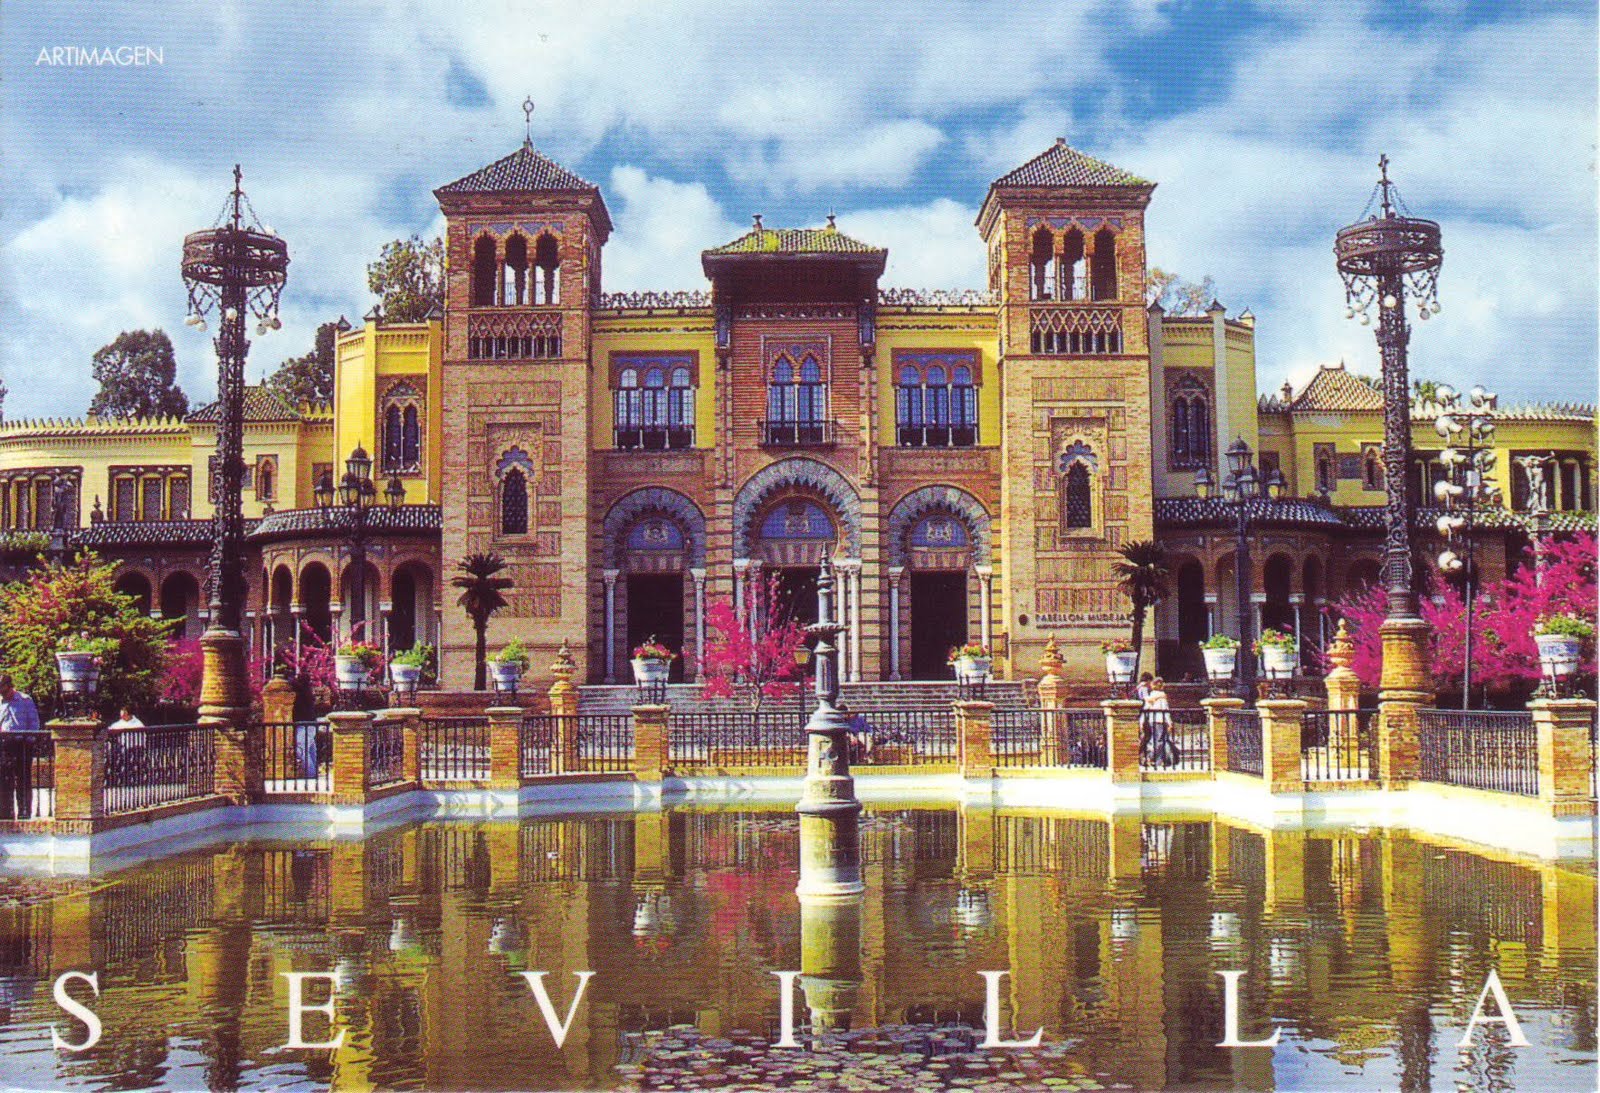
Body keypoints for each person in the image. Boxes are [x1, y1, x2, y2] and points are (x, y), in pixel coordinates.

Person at [0, 674, 42, 820]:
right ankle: (5, 813)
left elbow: (34, 722)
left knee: (23, 778)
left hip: (21, 743)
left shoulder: (25, 700)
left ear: (9, 686)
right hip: (3, 745)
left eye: (3, 690)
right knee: (4, 779)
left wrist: (29, 741)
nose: (2, 694)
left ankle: (24, 811)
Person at [1144, 677, 1178, 769]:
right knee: (1160, 740)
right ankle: (1153, 758)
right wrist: (1169, 722)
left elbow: (1146, 708)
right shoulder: (1162, 696)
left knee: (1155, 740)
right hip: (1160, 720)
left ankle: (1155, 759)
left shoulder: (1151, 695)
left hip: (1152, 720)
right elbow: (1165, 710)